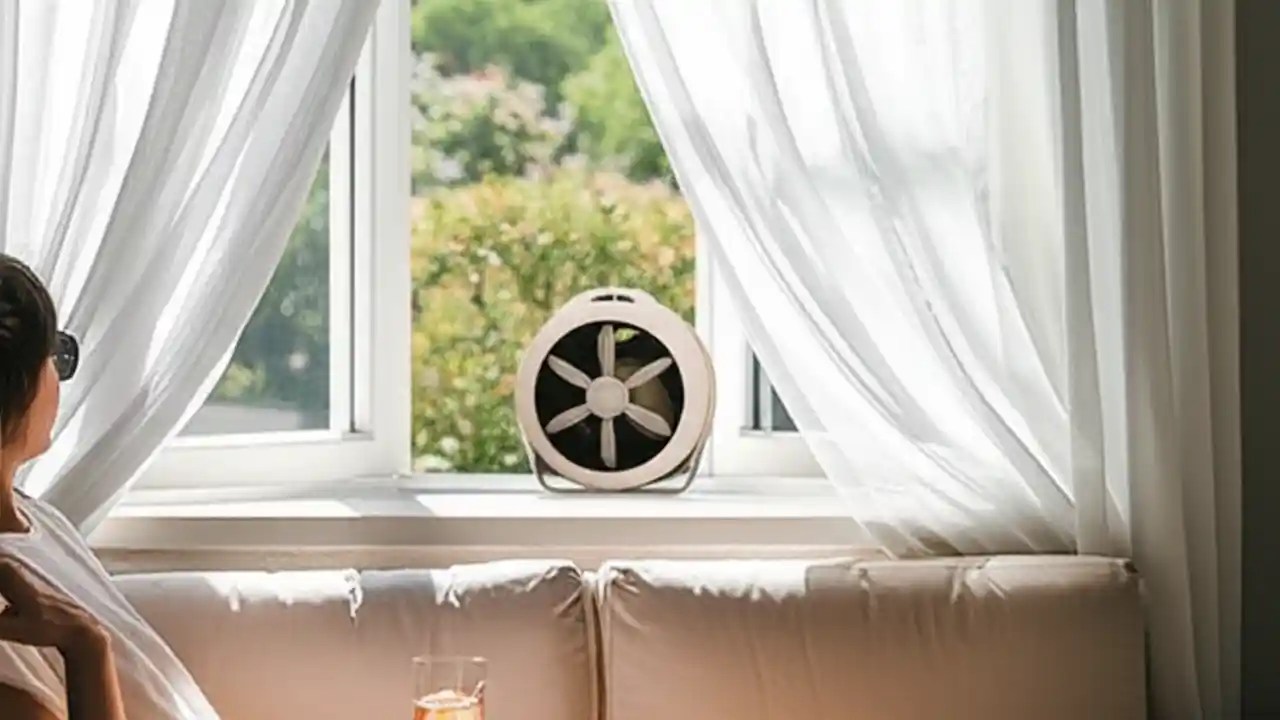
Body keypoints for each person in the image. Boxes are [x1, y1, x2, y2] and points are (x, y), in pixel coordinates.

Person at [0, 254, 219, 719]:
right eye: (52, 355)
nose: (57, 376)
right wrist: (85, 647)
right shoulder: (9, 592)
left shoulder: (37, 521)